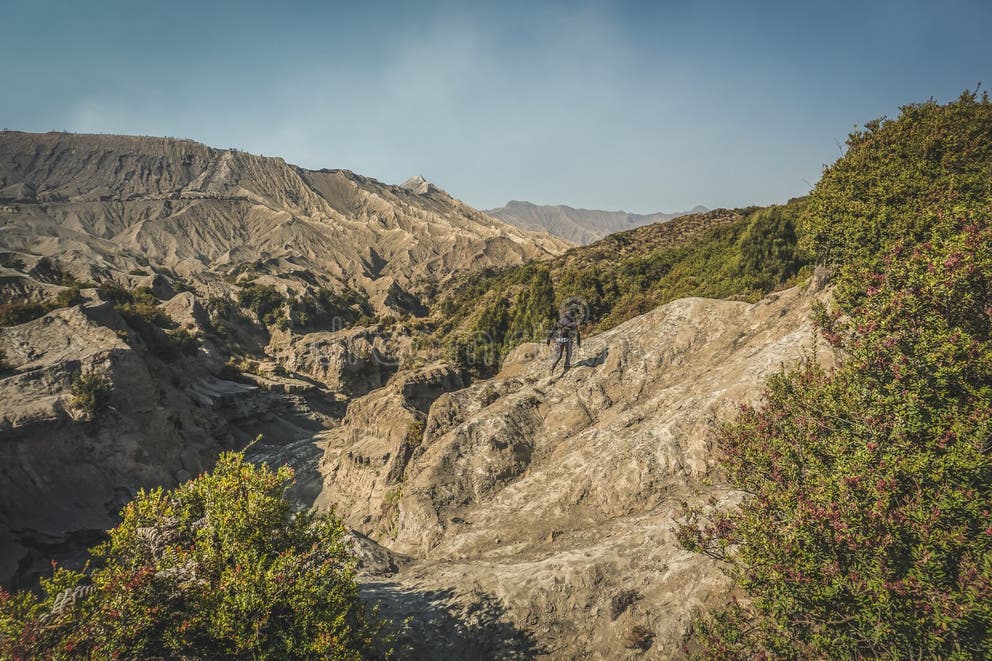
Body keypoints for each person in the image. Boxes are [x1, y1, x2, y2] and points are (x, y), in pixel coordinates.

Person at [547, 307, 580, 374]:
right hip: (567, 340)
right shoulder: (572, 323)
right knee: (569, 352)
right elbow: (577, 333)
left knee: (558, 355)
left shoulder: (560, 321)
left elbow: (552, 330)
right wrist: (578, 342)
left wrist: (548, 339)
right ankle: (566, 366)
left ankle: (552, 366)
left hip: (559, 339)